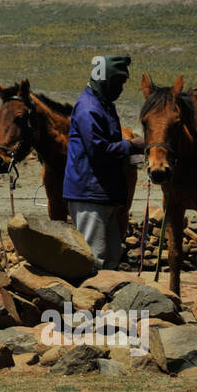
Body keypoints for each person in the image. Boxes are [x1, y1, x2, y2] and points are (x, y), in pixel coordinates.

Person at [63, 55, 143, 270]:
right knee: (93, 258)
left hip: (103, 194)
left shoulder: (103, 105)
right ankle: (87, 302)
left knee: (111, 257)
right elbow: (99, 151)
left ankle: (103, 303)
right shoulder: (90, 108)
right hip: (89, 194)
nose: (121, 89)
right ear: (105, 81)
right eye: (118, 83)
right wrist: (134, 146)